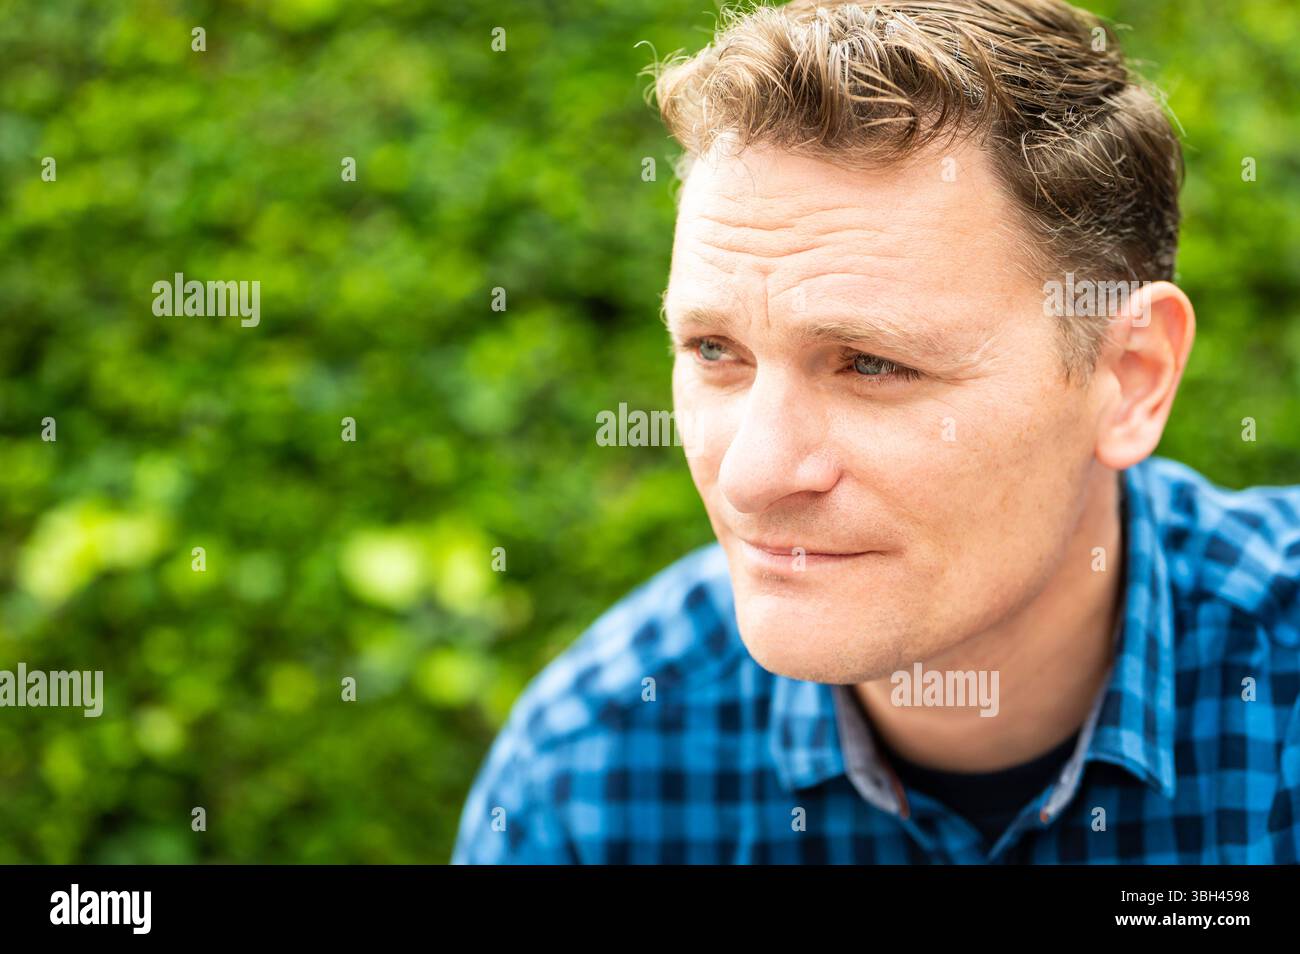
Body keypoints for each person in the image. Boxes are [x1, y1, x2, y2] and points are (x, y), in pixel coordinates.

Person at [452, 0, 1300, 863]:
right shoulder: (586, 784)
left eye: (870, 364)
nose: (752, 476)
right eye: (715, 350)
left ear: (1130, 378)